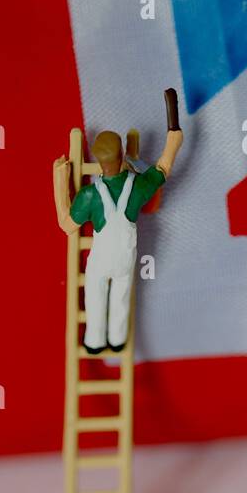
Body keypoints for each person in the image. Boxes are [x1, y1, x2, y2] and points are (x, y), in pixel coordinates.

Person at [53, 126, 182, 353]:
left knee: (95, 299)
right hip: (124, 261)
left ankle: (94, 341)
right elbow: (163, 169)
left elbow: (66, 225)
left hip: (100, 263)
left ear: (98, 160)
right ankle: (117, 339)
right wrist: (173, 141)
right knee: (121, 299)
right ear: (122, 154)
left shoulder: (89, 195)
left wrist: (59, 179)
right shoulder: (138, 186)